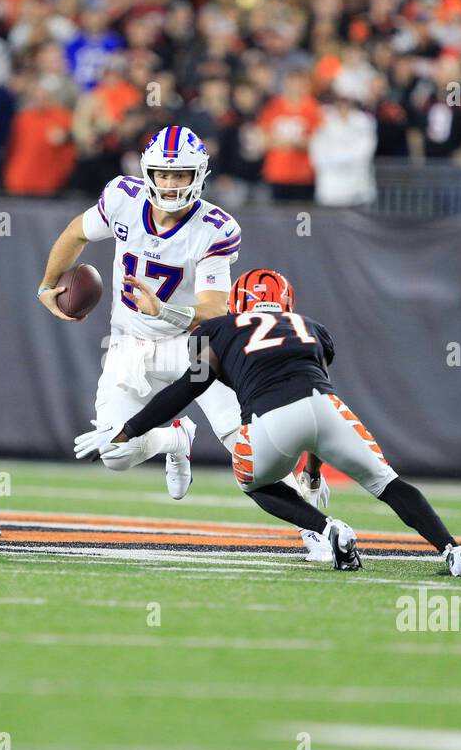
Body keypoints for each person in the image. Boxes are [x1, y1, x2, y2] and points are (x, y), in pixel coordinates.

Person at [37, 125, 331, 562]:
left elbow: (214, 310)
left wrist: (164, 311)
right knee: (115, 453)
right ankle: (175, 440)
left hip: (196, 346)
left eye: (181, 175)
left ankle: (315, 530)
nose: (172, 184)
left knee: (246, 444)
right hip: (128, 345)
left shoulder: (214, 228)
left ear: (200, 175)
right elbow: (76, 233)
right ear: (148, 172)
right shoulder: (122, 197)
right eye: (164, 174)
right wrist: (46, 286)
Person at [74, 269, 461, 577]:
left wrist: (127, 431)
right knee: (389, 483)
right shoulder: (311, 328)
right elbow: (316, 395)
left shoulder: (218, 329)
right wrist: (311, 469)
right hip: (327, 408)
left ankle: (326, 529)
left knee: (253, 482)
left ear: (238, 302)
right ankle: (453, 551)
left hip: (269, 417)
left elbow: (185, 391)